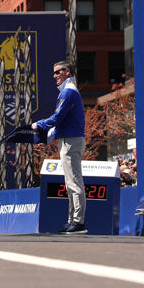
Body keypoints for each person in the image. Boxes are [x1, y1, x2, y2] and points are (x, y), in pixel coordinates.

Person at [32, 61, 87, 234]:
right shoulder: (67, 91)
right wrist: (47, 138)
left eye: (57, 72)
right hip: (68, 139)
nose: (54, 76)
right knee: (70, 182)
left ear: (67, 72)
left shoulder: (69, 91)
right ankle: (73, 221)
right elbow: (61, 122)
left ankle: (78, 222)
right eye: (54, 72)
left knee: (74, 182)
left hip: (71, 141)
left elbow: (57, 118)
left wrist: (38, 124)